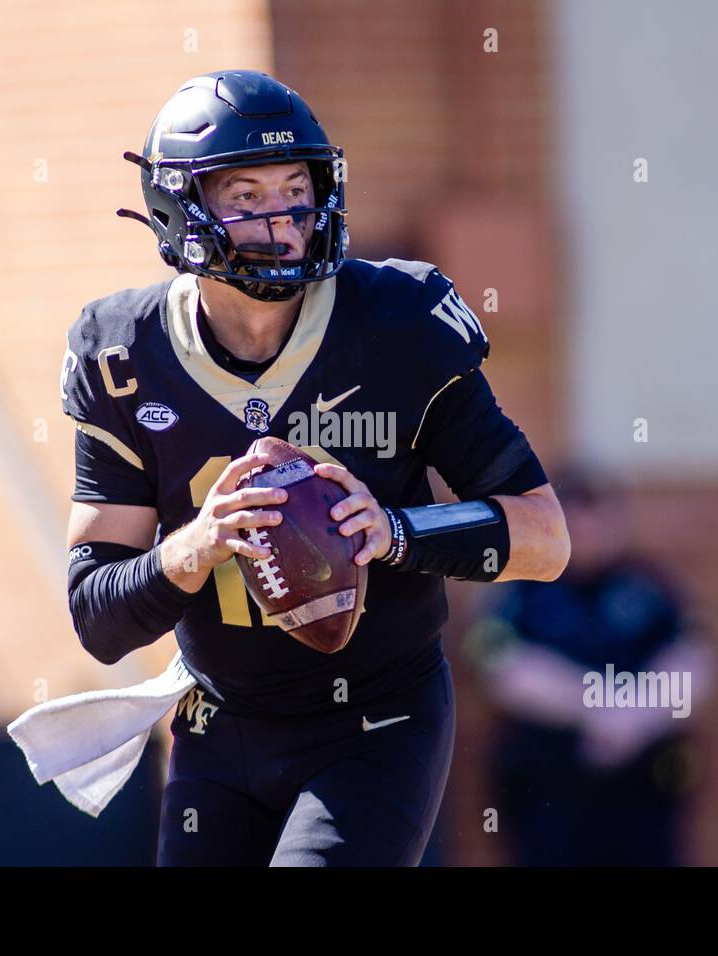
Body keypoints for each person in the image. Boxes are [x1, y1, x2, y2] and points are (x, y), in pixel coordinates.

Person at [59, 70, 570, 866]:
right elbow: (98, 618)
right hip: (216, 723)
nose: (285, 220)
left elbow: (546, 537)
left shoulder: (397, 323)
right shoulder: (125, 354)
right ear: (179, 210)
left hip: (375, 724)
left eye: (297, 188)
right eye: (249, 195)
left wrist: (395, 531)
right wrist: (196, 545)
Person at [464, 464, 713, 865]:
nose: (588, 529)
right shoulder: (522, 588)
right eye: (574, 514)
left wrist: (633, 717)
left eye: (597, 513)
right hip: (548, 793)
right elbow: (503, 666)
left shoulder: (648, 587)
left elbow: (693, 661)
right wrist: (598, 708)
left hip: (642, 793)